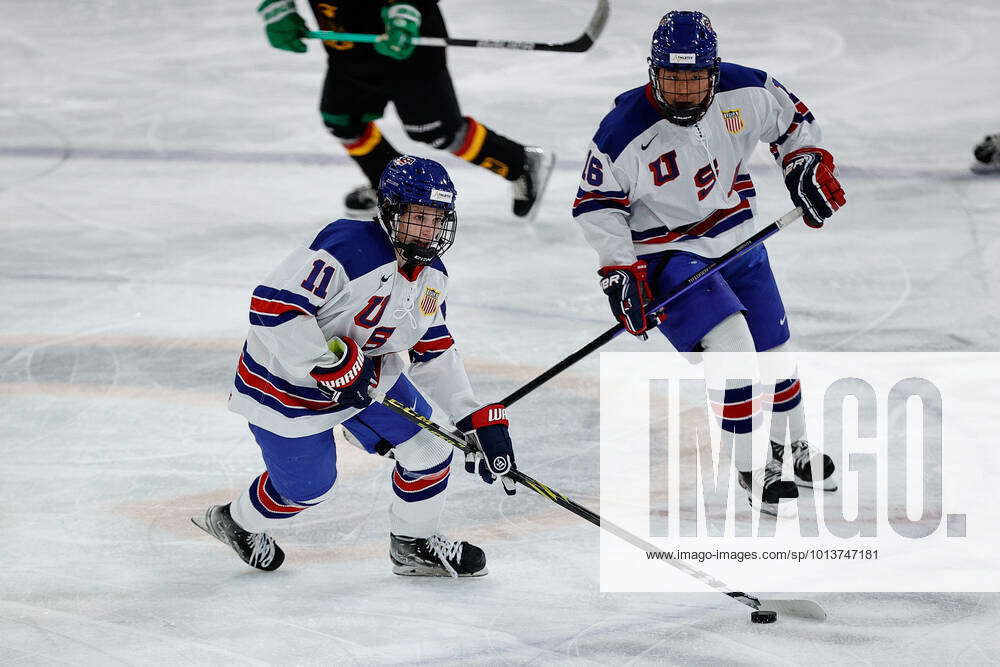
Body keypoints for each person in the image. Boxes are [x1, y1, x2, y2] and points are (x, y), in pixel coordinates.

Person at [573, 11, 845, 516]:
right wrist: (618, 270)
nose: (682, 90)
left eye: (694, 78)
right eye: (671, 78)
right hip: (667, 253)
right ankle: (749, 467)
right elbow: (596, 204)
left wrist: (804, 163)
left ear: (713, 72)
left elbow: (795, 124)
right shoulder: (622, 131)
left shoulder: (748, 90)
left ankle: (795, 445)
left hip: (738, 236)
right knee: (735, 352)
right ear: (653, 72)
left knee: (776, 350)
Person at [194, 156, 517, 576]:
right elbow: (273, 308)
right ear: (389, 210)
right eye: (418, 216)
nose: (428, 230)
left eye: (437, 218)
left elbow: (433, 350)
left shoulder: (432, 276)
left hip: (366, 377)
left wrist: (473, 417)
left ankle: (413, 546)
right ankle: (235, 521)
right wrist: (326, 365)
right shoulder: (350, 246)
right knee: (309, 490)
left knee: (433, 449)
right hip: (286, 387)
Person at [255, 0, 556, 219]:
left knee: (434, 131)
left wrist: (406, 9)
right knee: (343, 120)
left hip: (410, 46)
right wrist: (277, 6)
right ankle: (393, 188)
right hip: (346, 43)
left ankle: (519, 162)